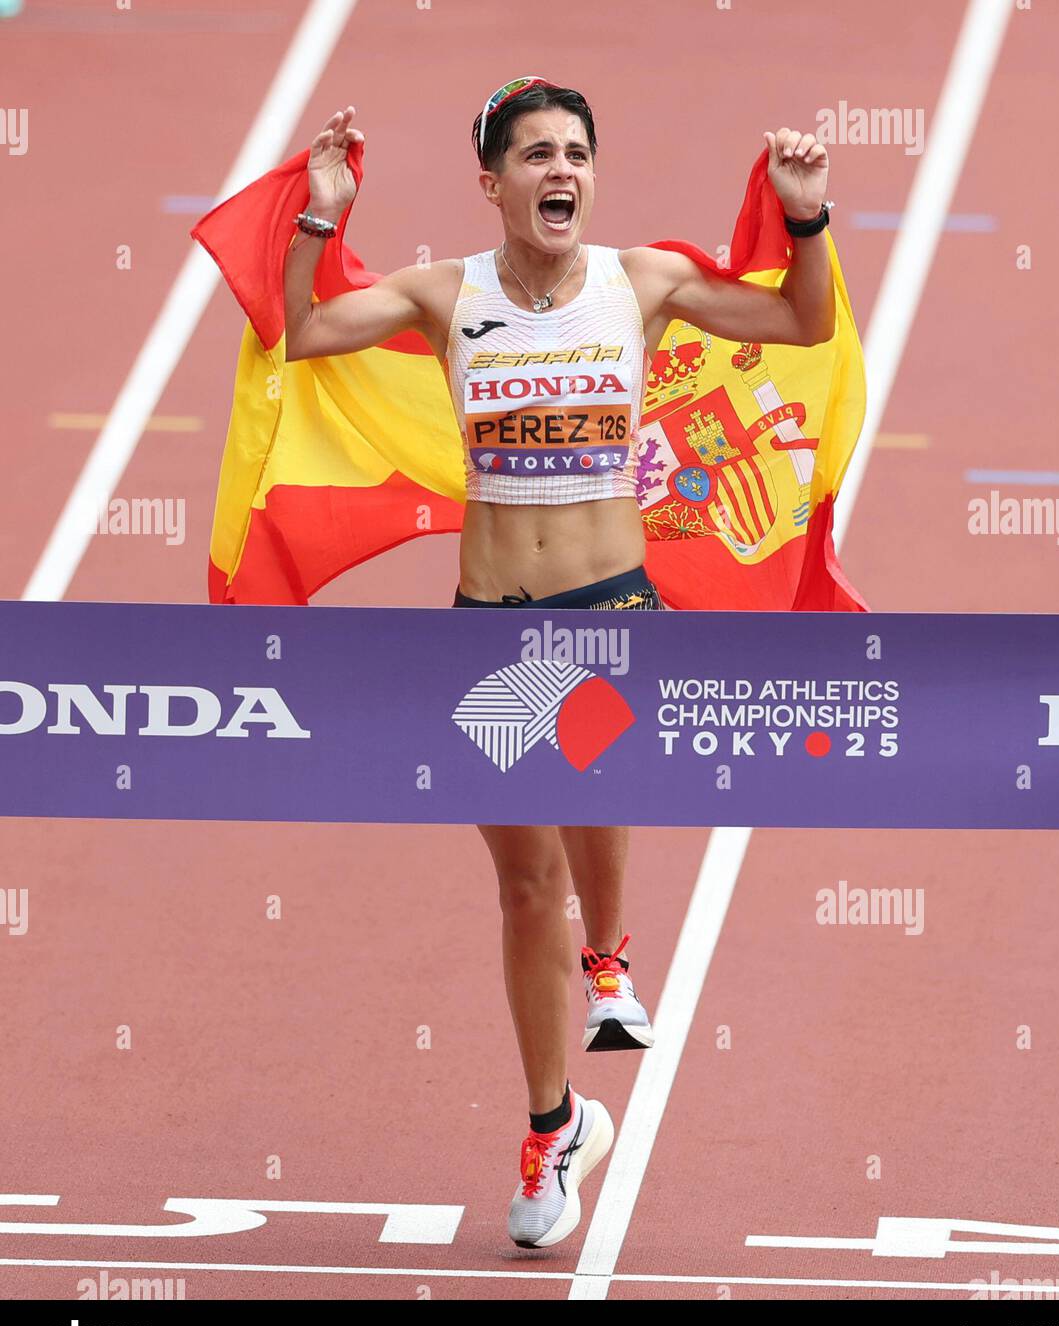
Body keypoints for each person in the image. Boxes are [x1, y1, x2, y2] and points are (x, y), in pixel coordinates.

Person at [283, 78, 835, 1249]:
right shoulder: (451, 294)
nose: (559, 170)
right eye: (534, 154)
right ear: (491, 182)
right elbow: (308, 331)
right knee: (521, 882)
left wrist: (806, 218)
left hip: (610, 607)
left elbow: (804, 323)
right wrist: (322, 211)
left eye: (575, 152)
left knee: (594, 808)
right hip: (486, 620)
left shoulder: (644, 284)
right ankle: (554, 1125)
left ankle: (611, 958)